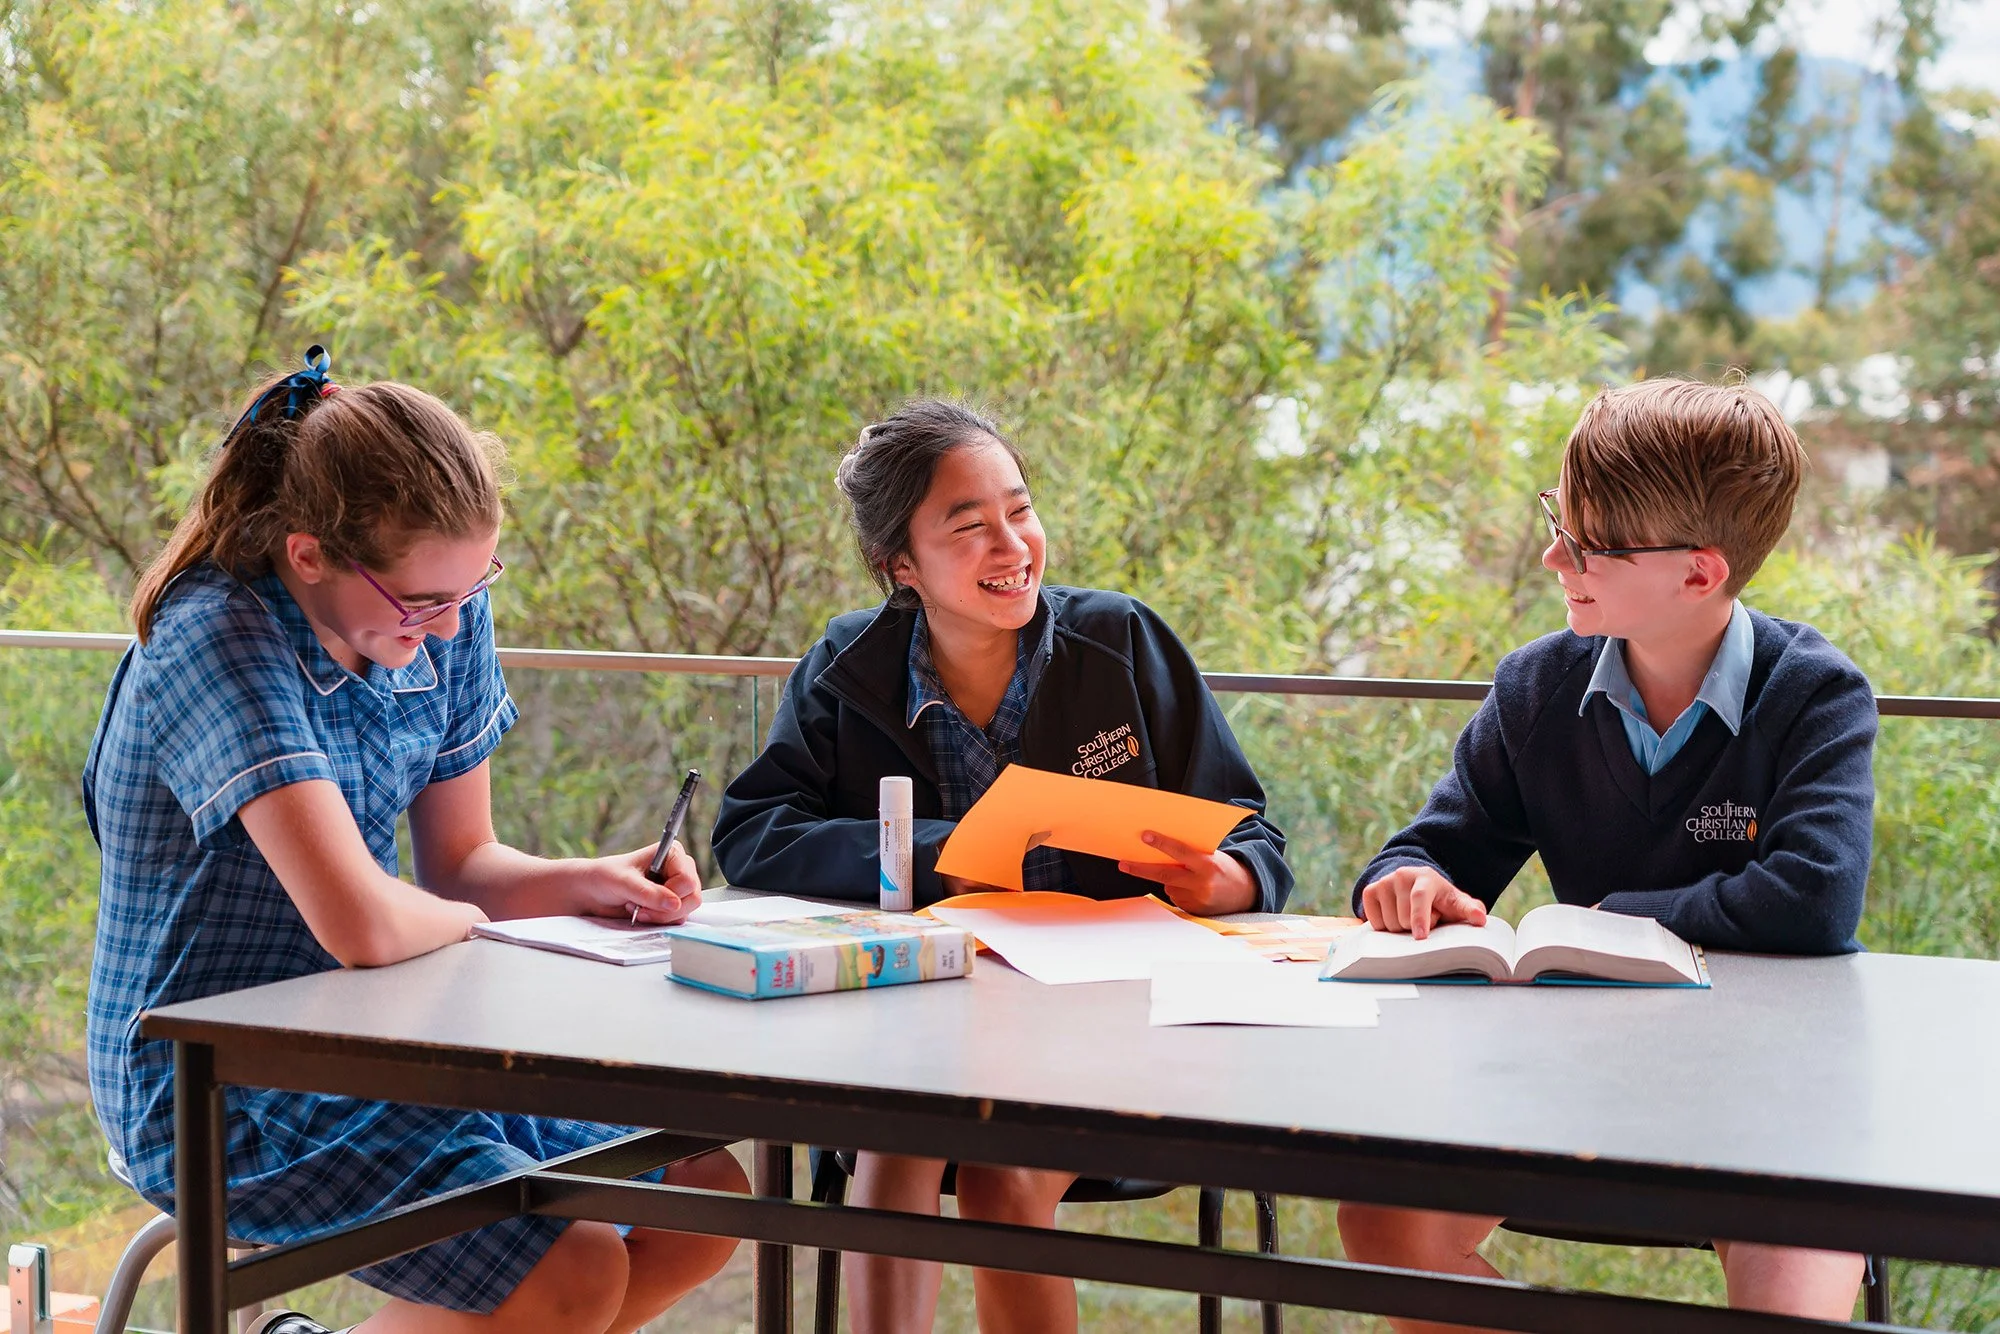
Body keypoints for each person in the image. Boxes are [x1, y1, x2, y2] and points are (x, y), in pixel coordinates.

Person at [84, 349, 745, 1334]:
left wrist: (589, 881)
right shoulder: (218, 636)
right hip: (215, 1081)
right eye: (423, 604)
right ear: (309, 554)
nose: (445, 631)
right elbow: (360, 920)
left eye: (470, 592)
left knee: (705, 1196)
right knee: (569, 1271)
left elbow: (461, 866)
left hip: (382, 1038)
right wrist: (472, 926)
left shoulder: (439, 604)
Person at [711, 397, 1293, 1333]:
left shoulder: (1122, 643)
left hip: (1117, 1018)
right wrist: (943, 856)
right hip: (928, 1014)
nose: (1012, 544)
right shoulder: (847, 664)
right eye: (969, 526)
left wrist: (1223, 880)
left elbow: (1252, 836)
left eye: (1019, 511)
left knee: (1000, 1167)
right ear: (902, 564)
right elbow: (753, 833)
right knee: (889, 1140)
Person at [1338, 378, 1877, 1328]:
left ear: (1700, 575)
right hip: (1569, 1074)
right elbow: (1431, 847)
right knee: (1384, 1230)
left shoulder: (1816, 696)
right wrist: (1406, 884)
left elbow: (1815, 898)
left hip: (1772, 1094)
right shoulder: (1534, 688)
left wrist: (1601, 920)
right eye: (1558, 520)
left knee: (1793, 1304)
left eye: (1589, 545)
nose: (1555, 556)